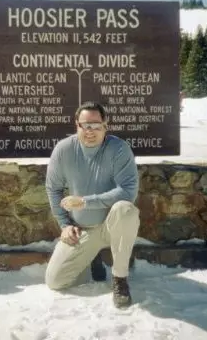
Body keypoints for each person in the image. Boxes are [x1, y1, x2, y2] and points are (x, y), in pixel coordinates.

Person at [45, 101, 140, 308]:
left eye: (96, 126)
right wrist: (64, 224)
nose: (90, 131)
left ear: (106, 125)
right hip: (82, 229)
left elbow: (128, 191)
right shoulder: (64, 150)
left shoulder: (119, 149)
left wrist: (85, 202)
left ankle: (120, 279)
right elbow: (53, 188)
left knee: (125, 210)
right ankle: (91, 256)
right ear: (76, 125)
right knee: (55, 281)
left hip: (111, 226)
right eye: (85, 126)